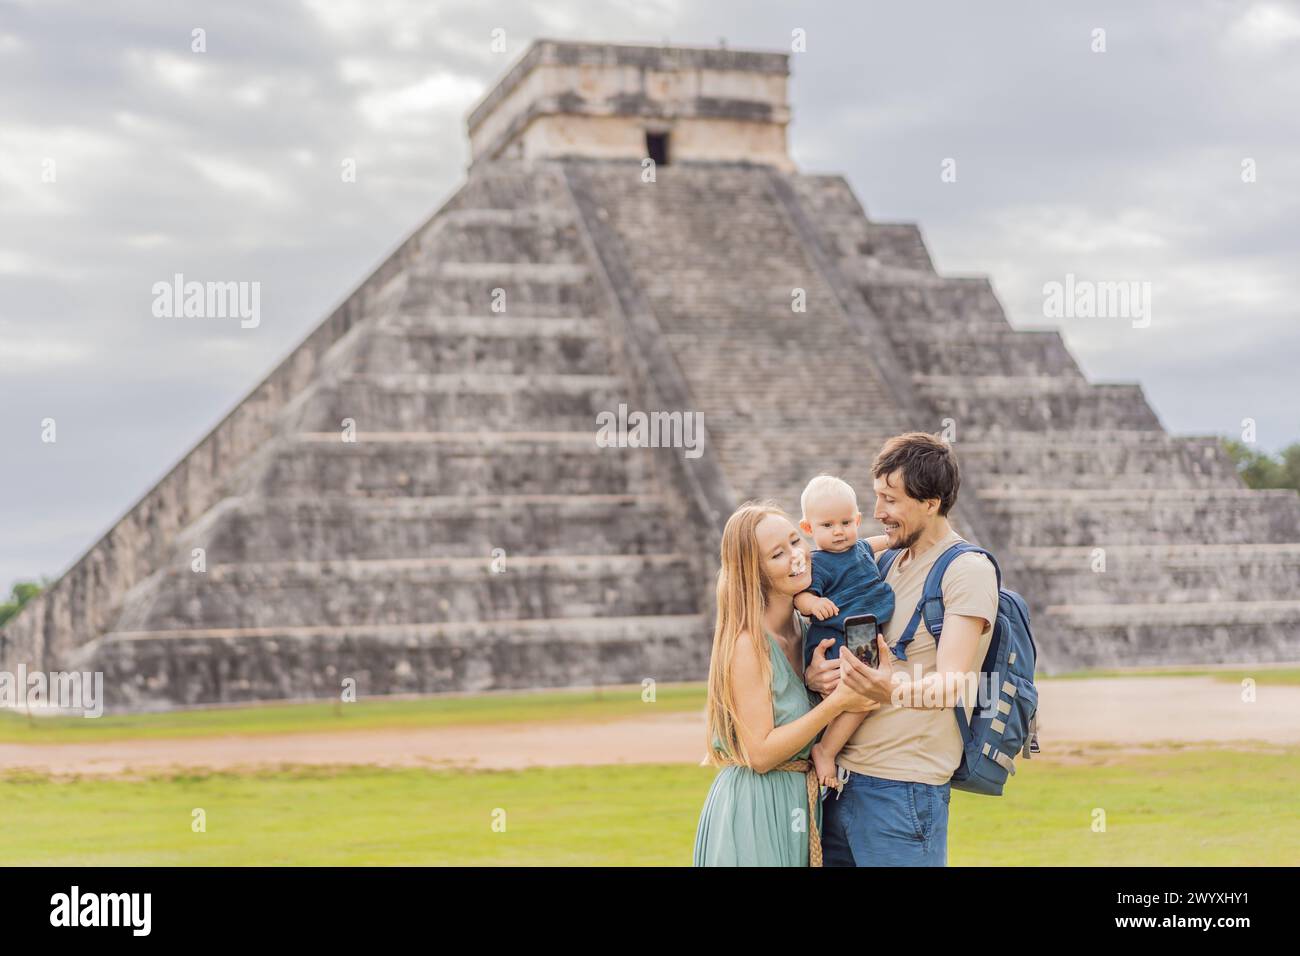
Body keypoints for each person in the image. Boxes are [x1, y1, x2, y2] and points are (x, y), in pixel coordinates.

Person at [806, 433, 999, 867]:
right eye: (877, 497)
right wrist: (818, 676)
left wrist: (887, 688)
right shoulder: (884, 562)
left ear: (930, 502)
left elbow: (951, 685)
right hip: (841, 783)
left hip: (903, 792)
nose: (878, 514)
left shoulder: (967, 570)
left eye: (891, 500)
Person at [693, 500, 880, 866]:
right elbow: (761, 754)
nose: (797, 556)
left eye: (796, 542)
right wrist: (837, 701)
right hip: (754, 812)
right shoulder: (749, 645)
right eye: (778, 554)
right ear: (755, 572)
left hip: (798, 805)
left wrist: (813, 682)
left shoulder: (811, 632)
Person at [790, 473, 895, 791]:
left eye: (846, 522)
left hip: (862, 631)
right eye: (827, 525)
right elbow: (799, 595)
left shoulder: (861, 548)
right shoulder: (817, 562)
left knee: (866, 697)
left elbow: (886, 541)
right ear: (808, 528)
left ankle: (829, 745)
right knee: (861, 697)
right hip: (837, 636)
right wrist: (813, 603)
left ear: (858, 520)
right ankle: (826, 750)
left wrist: (902, 537)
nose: (839, 532)